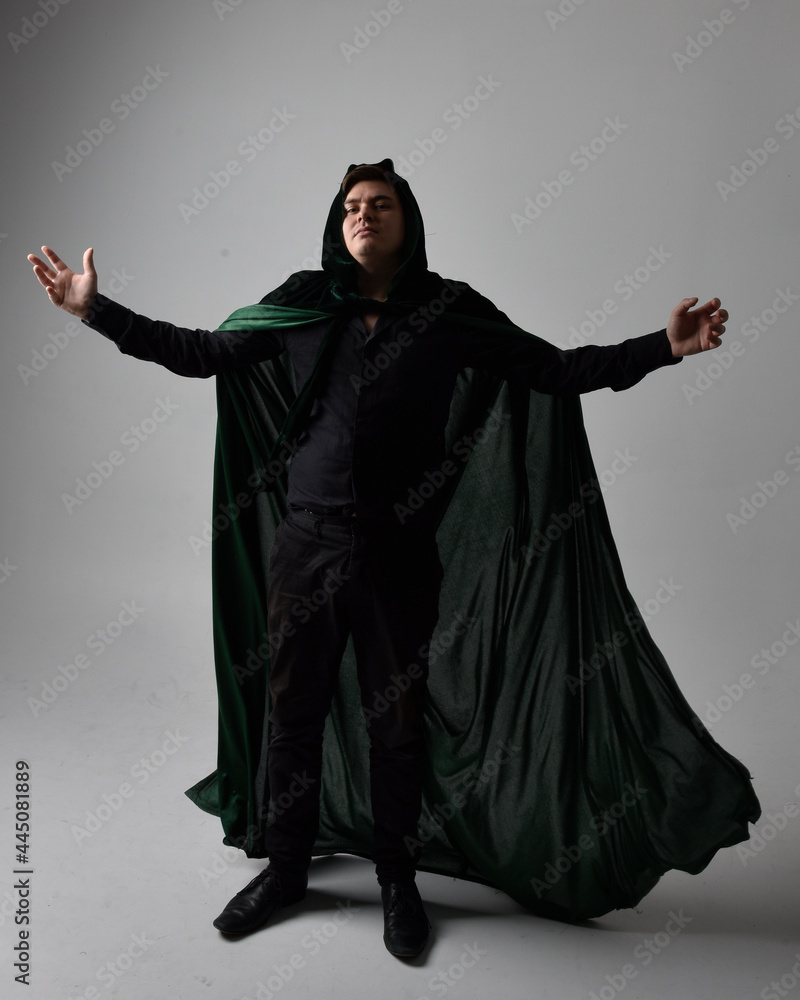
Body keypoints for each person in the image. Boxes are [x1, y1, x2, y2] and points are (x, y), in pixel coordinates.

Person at [28, 159, 752, 959]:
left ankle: (398, 881)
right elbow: (197, 351)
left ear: (408, 222)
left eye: (379, 205)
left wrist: (664, 346)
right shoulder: (302, 305)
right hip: (305, 548)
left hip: (398, 554)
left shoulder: (450, 312)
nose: (364, 215)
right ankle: (288, 870)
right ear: (337, 226)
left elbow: (556, 370)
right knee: (293, 715)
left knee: (396, 723)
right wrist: (96, 313)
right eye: (351, 207)